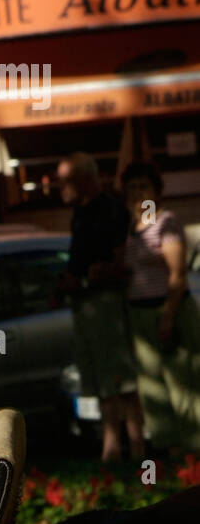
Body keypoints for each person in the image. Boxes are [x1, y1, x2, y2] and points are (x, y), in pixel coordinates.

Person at [55, 153, 145, 461]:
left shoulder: (110, 210)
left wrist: (95, 273)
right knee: (101, 380)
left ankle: (133, 450)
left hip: (105, 303)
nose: (59, 187)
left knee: (120, 379)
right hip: (86, 305)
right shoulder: (79, 213)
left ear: (84, 180)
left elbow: (122, 261)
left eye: (65, 181)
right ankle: (114, 451)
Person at [121, 161, 200, 456]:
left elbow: (177, 274)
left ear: (156, 191)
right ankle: (171, 453)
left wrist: (168, 315)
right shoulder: (131, 227)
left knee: (184, 383)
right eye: (132, 188)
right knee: (152, 386)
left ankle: (196, 452)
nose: (138, 193)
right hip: (139, 313)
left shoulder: (165, 221)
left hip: (170, 311)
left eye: (143, 187)